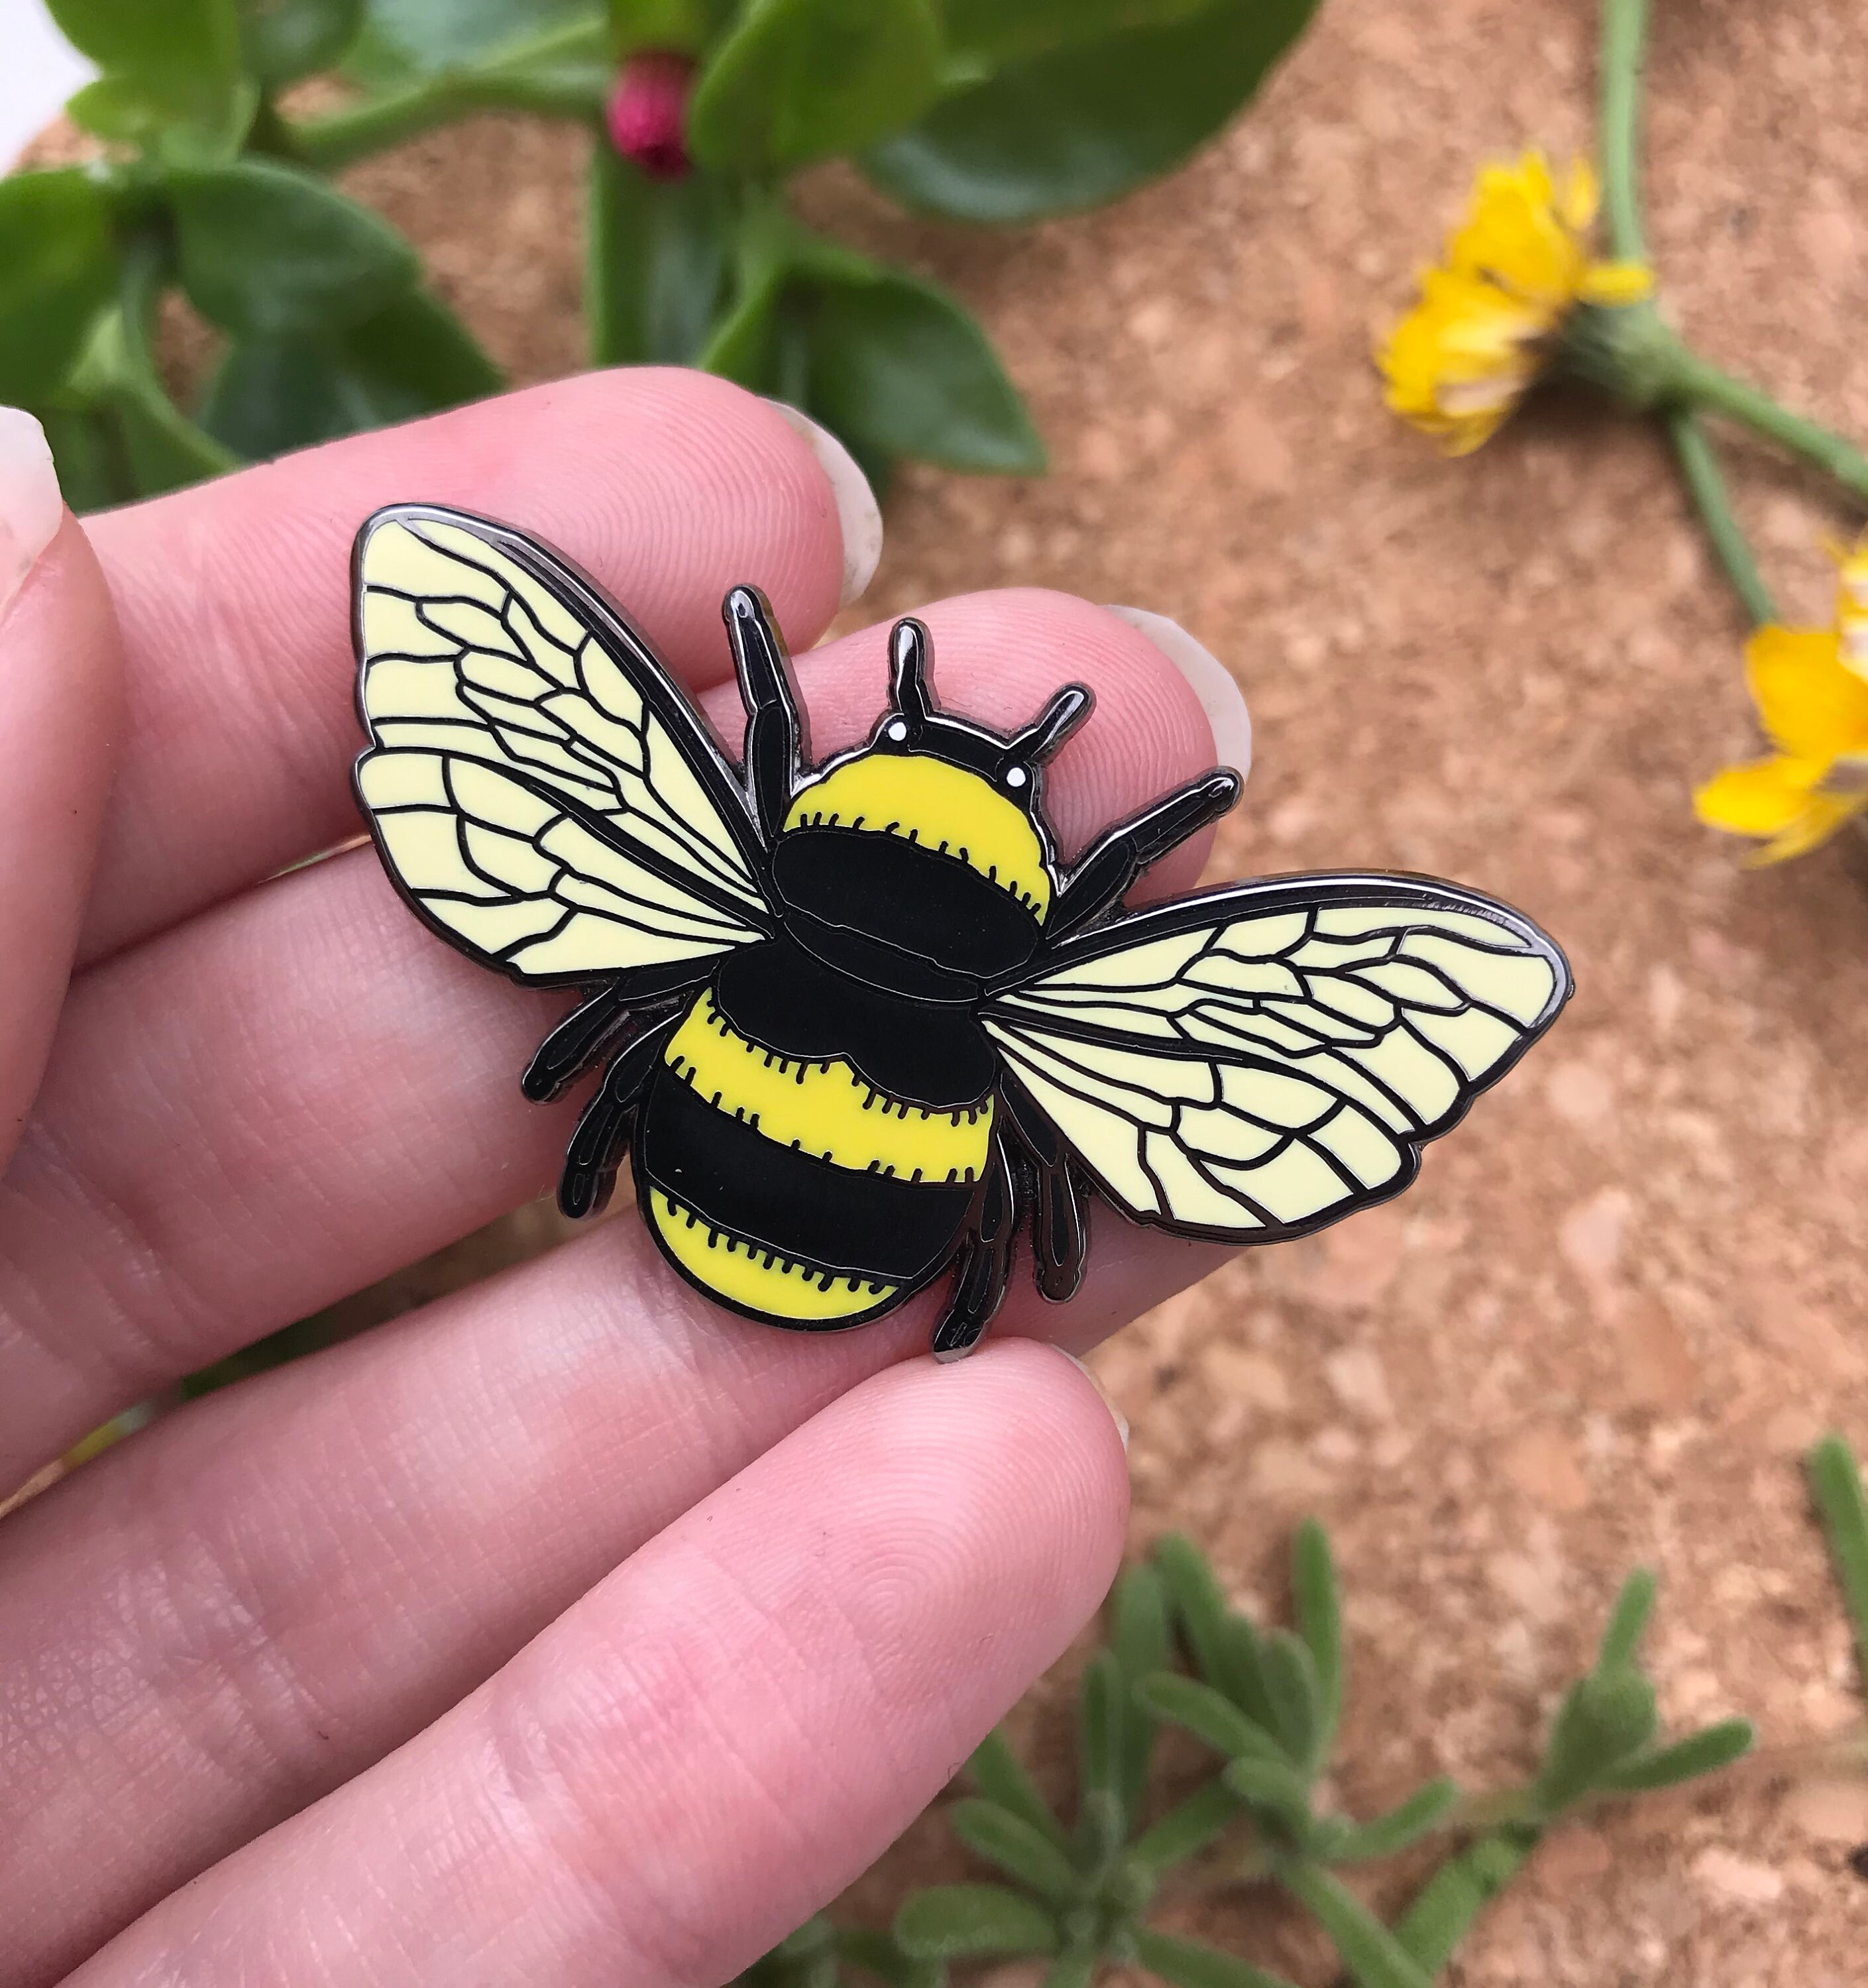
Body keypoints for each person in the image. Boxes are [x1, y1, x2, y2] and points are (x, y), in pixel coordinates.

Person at [0, 372, 1239, 1986]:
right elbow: (1057, 1198)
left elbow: (589, 1033)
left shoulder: (695, 849)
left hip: (713, 1129)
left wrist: (601, 1114)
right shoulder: (1069, 999)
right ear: (1055, 905)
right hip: (902, 1203)